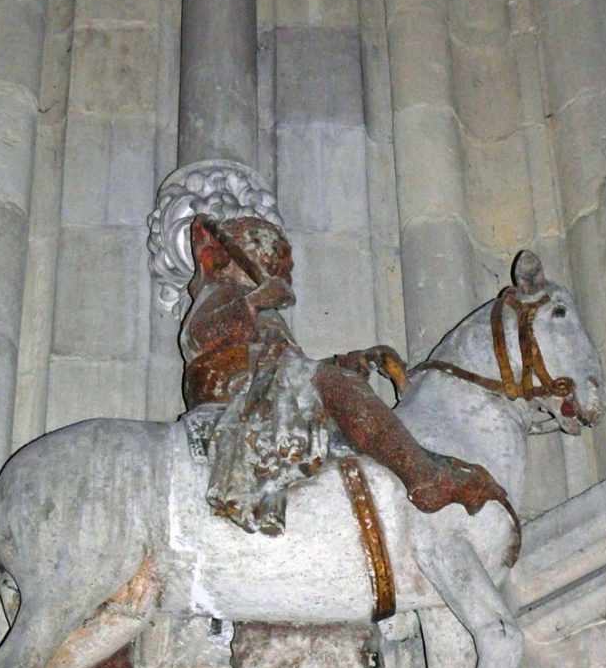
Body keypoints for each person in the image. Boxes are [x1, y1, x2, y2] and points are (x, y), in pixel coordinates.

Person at [179, 215, 517, 544]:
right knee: (337, 383)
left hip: (274, 386)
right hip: (239, 388)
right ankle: (425, 477)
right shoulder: (223, 292)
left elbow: (291, 364)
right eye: (275, 258)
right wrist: (254, 301)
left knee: (335, 380)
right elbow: (202, 332)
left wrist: (352, 360)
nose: (284, 269)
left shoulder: (263, 314)